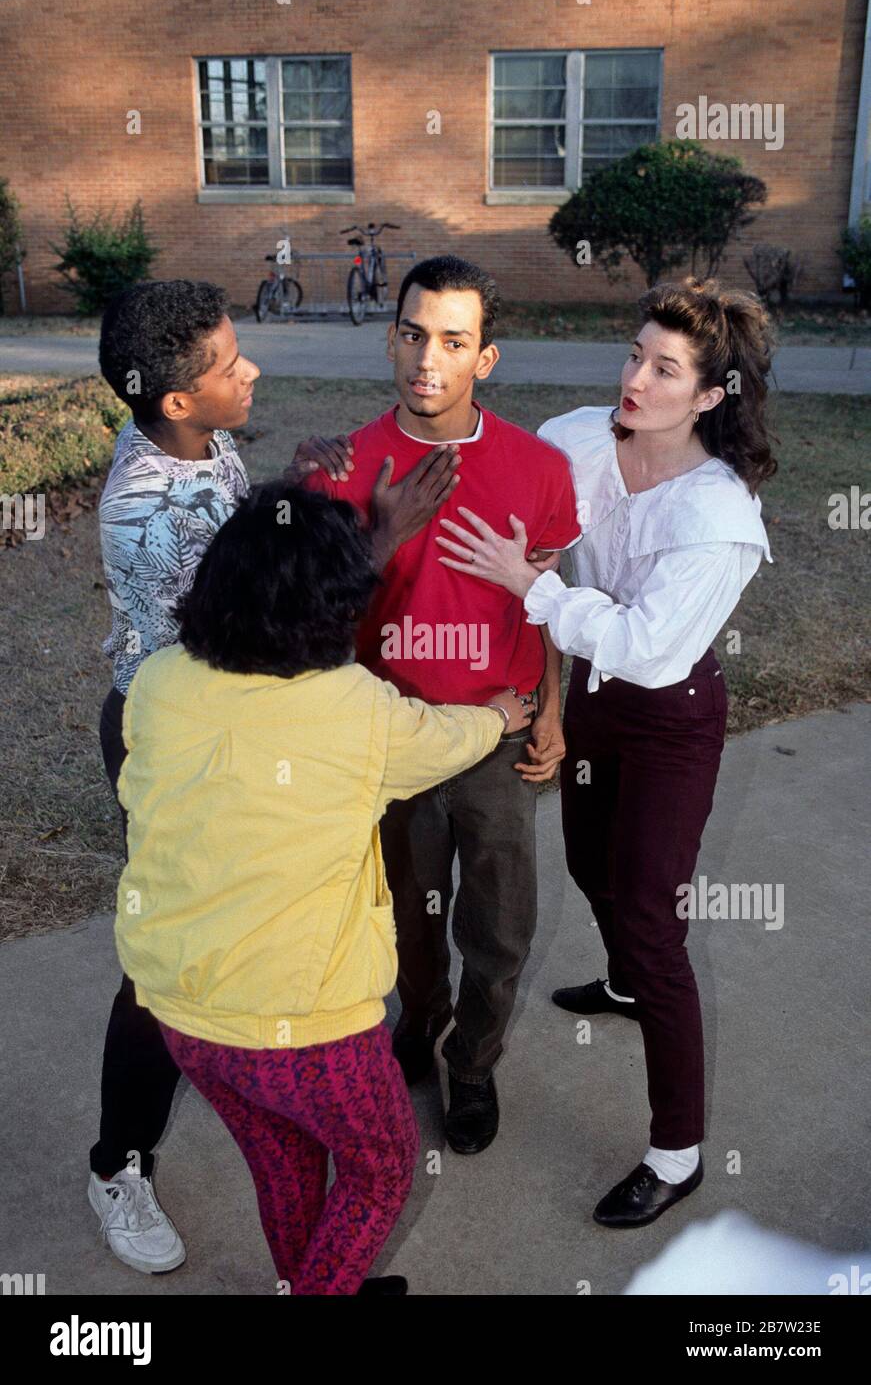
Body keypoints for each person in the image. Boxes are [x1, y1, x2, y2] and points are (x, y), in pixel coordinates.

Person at [92, 278, 460, 1273]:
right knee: (169, 969)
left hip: (233, 709)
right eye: (225, 364)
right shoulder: (143, 510)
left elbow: (253, 568)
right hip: (183, 719)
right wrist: (373, 539)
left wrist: (285, 494)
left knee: (238, 928)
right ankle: (118, 1162)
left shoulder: (195, 446)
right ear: (175, 399)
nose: (248, 368)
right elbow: (253, 640)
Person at [113, 481, 533, 1295]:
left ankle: (313, 1278)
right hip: (301, 1024)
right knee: (380, 1170)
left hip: (178, 1006)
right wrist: (502, 714)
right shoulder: (354, 710)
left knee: (286, 1162)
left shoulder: (161, 682)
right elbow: (442, 741)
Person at [435, 276, 776, 1224]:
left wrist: (533, 587)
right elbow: (529, 507)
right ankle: (622, 979)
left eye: (664, 368)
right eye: (634, 353)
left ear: (711, 396)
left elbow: (649, 647)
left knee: (655, 928)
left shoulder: (718, 518)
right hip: (594, 696)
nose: (635, 377)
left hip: (669, 713)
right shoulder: (582, 434)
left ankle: (677, 1158)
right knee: (590, 862)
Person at [299, 255, 582, 1155]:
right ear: (391, 338)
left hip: (495, 737)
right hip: (391, 738)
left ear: (484, 359)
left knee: (498, 926)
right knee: (408, 913)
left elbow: (552, 598)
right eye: (414, 335)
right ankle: (418, 1025)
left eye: (453, 342)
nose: (428, 359)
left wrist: (551, 708)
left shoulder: (537, 466)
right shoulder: (342, 465)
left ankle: (473, 1064)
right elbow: (312, 622)